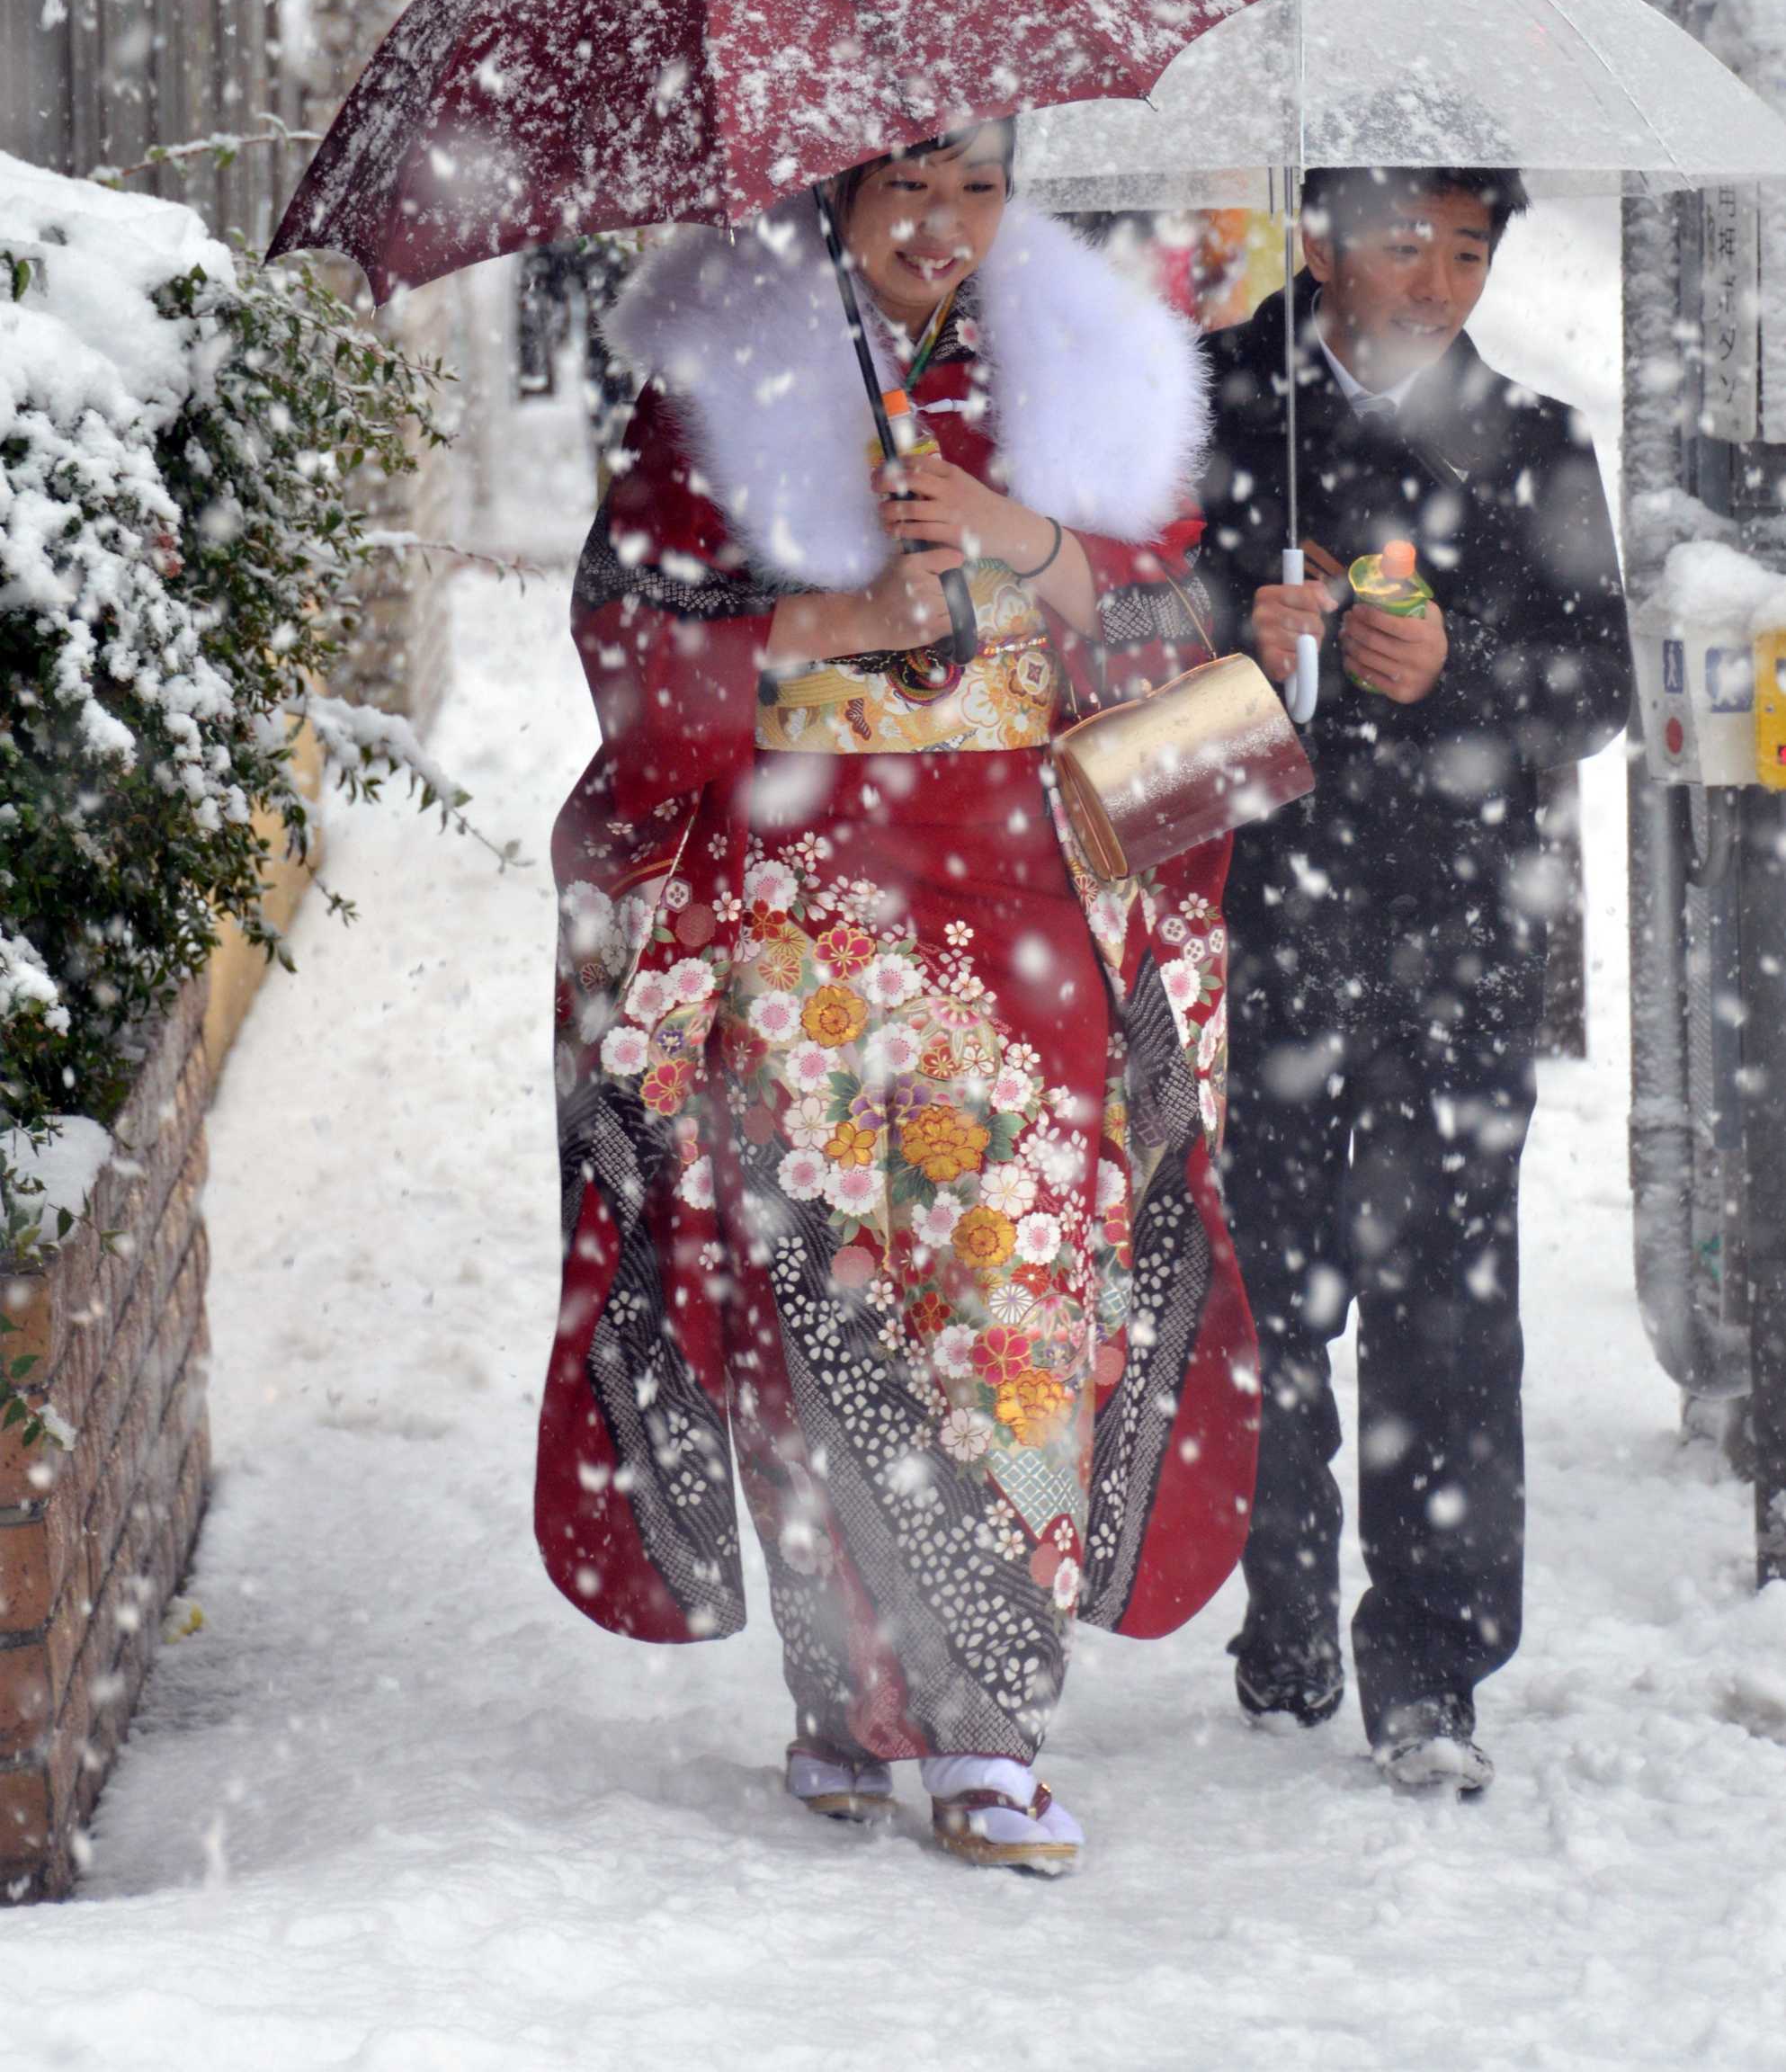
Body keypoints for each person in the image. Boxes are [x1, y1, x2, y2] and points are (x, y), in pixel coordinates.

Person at [534, 122, 1258, 1873]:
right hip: (807, 892)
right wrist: (840, 620)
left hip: (1026, 886)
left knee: (1016, 1296)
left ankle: (988, 1726)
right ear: (829, 199)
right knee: (817, 1298)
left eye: (978, 188)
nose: (944, 225)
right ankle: (846, 1697)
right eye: (904, 189)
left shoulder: (1086, 371)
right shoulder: (715, 386)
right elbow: (625, 643)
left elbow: (1180, 631)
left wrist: (1020, 534)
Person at [1199, 165, 1631, 1797]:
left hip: (1456, 931)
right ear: (1314, 237)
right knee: (1260, 1283)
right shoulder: (1211, 408)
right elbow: (1103, 636)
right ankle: (1281, 1616)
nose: (1438, 278)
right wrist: (1235, 636)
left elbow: (1594, 685)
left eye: (1468, 246)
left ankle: (1433, 1664)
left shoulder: (1529, 438)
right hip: (1252, 914)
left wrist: (1462, 671)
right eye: (1402, 240)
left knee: (1445, 1302)